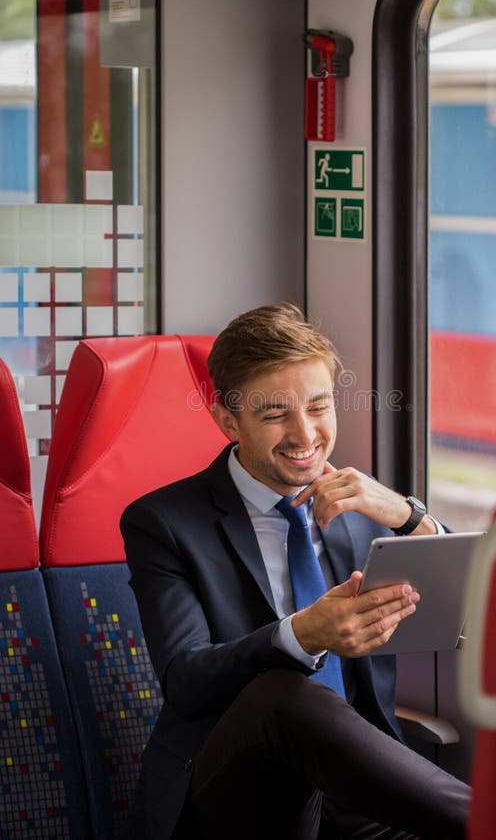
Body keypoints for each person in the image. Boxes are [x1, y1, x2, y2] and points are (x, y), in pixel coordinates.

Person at [120, 303, 470, 840]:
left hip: (357, 798)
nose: (304, 434)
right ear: (228, 421)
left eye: (319, 406)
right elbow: (186, 681)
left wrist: (408, 515)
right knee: (281, 694)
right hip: (241, 799)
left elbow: (468, 605)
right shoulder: (164, 523)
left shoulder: (365, 508)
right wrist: (302, 635)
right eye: (275, 414)